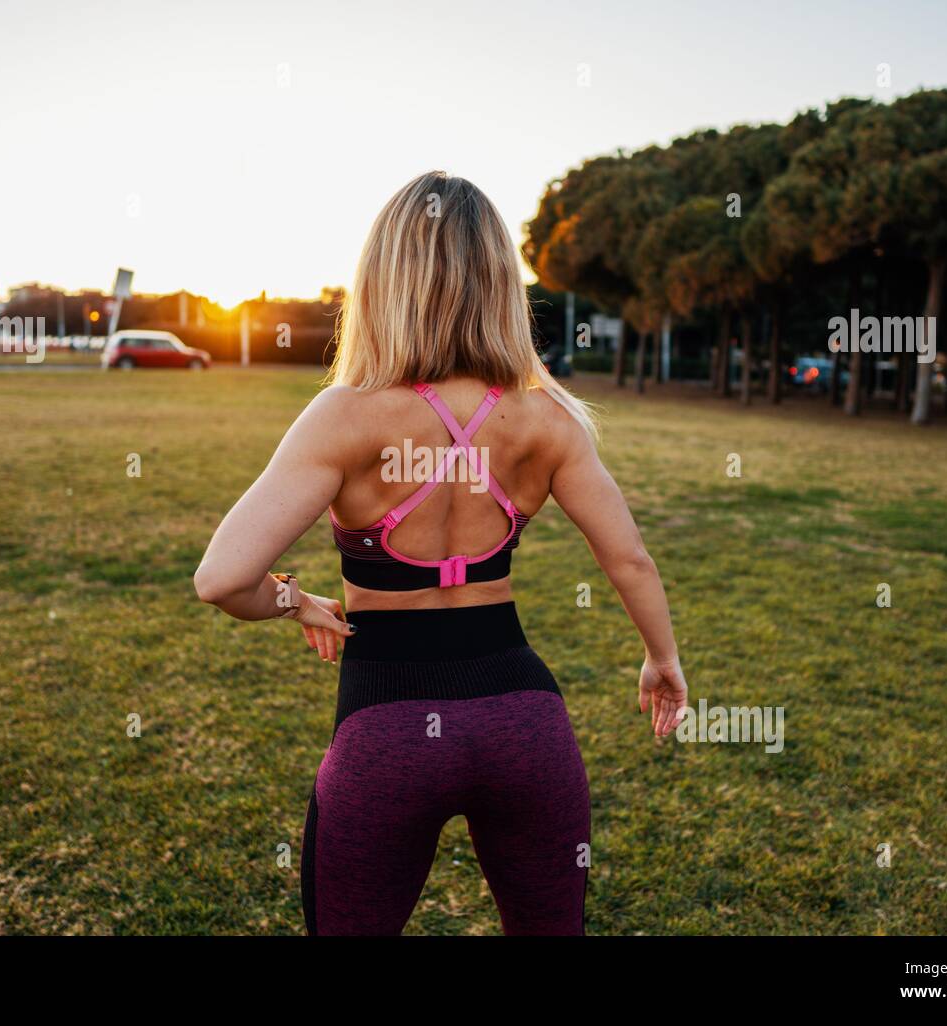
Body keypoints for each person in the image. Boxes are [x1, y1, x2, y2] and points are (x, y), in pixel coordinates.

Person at [194, 172, 687, 936]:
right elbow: (632, 562)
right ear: (500, 284)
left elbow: (223, 578)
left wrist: (298, 599)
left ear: (383, 280)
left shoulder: (346, 415)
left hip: (385, 731)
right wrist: (662, 659)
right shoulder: (548, 419)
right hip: (526, 722)